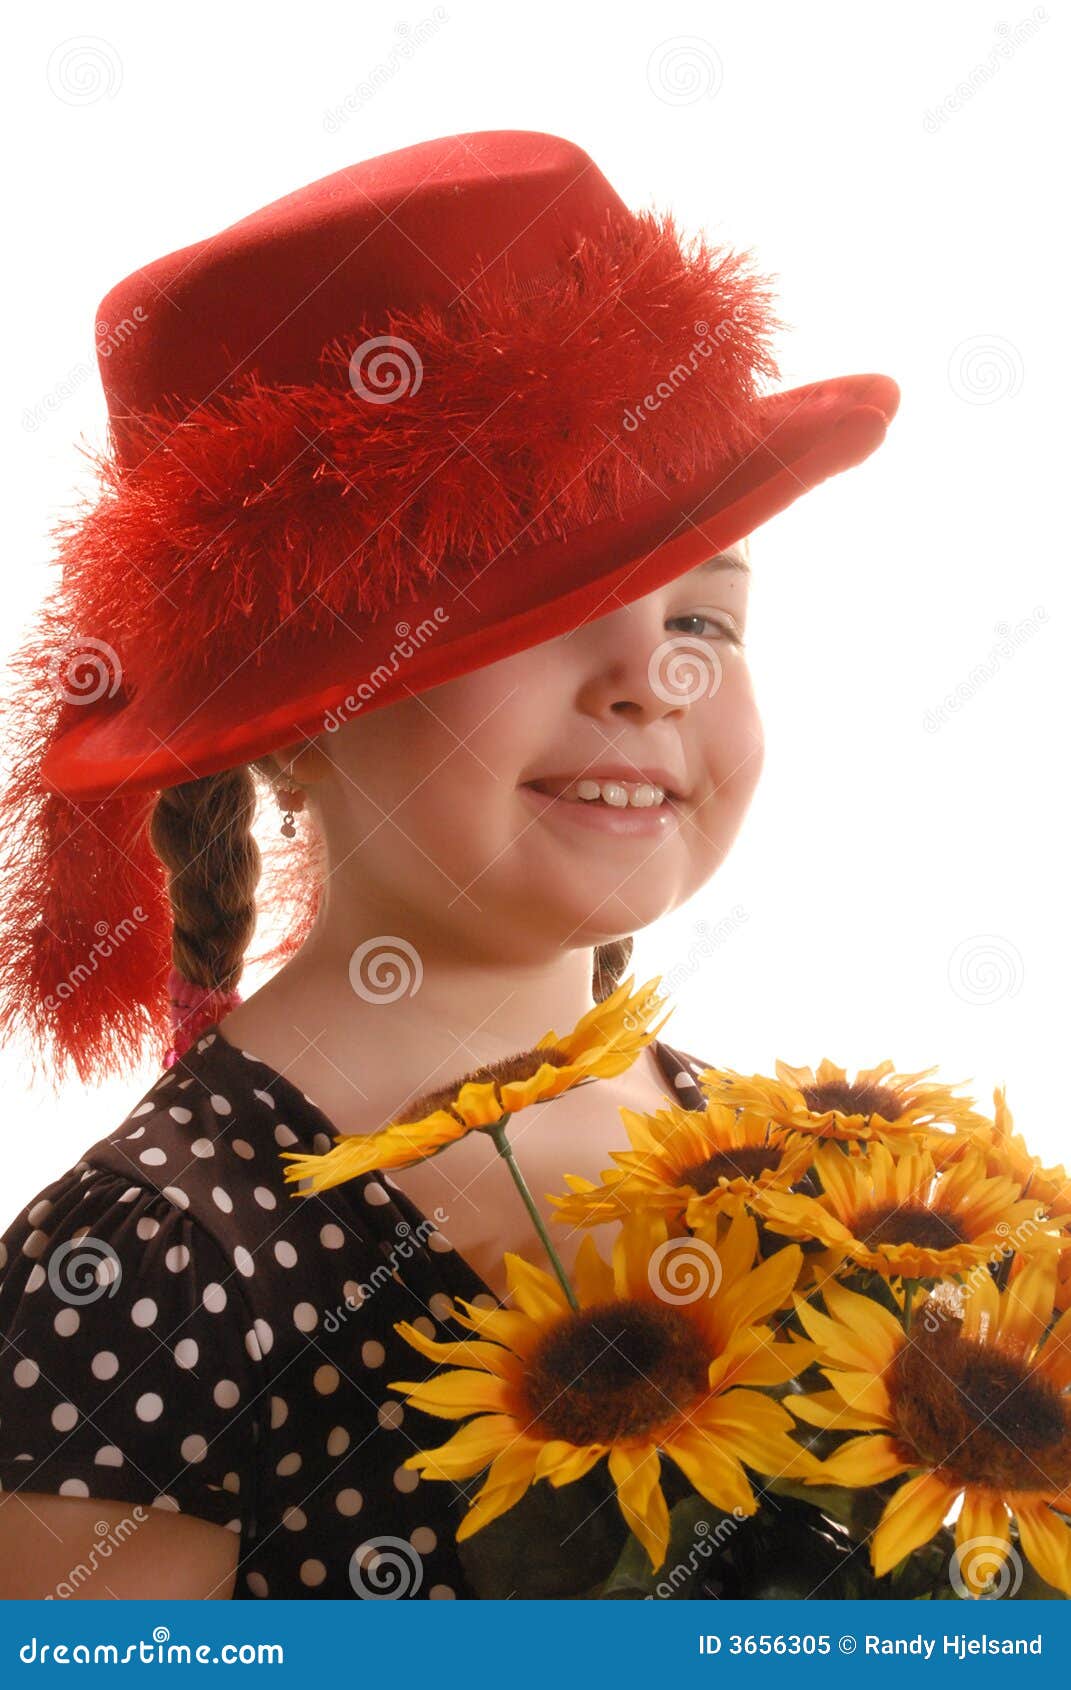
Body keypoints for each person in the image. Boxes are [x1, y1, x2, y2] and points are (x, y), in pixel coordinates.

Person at [0, 130, 899, 1599]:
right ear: (290, 723)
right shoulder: (157, 1266)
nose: (650, 681)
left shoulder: (816, 1179)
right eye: (536, 610)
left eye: (704, 618)